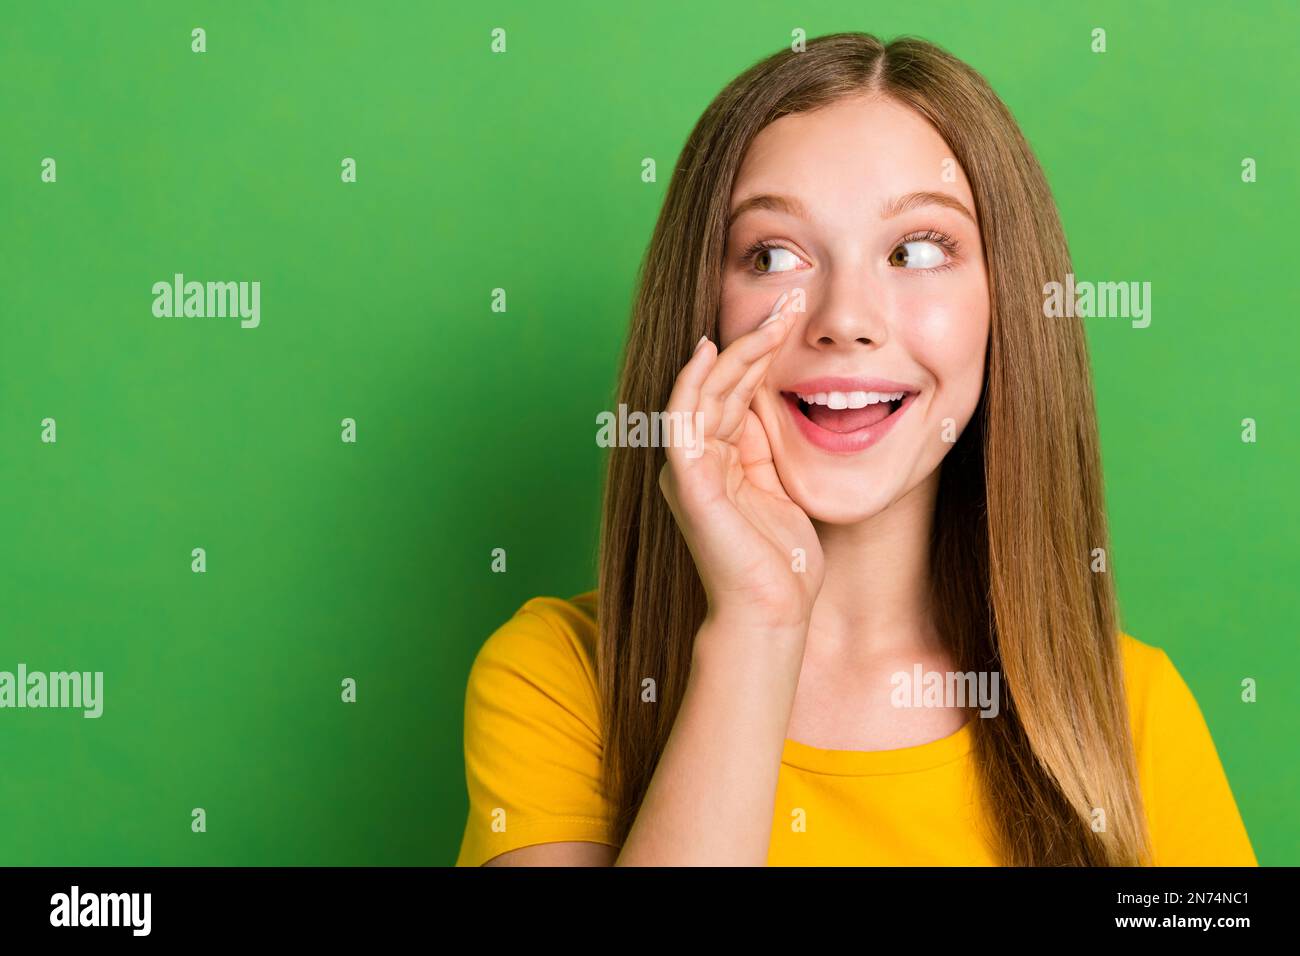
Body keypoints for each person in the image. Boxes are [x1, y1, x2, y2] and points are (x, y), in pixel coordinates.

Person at [455, 32, 1257, 867]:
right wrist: (759, 626)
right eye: (771, 255)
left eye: (916, 251)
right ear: (700, 311)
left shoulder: (1130, 712)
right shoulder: (557, 678)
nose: (844, 317)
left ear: (1003, 308)